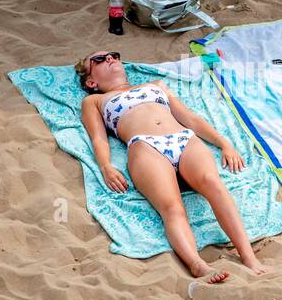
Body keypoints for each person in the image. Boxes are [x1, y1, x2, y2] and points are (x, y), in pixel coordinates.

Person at [76, 50, 268, 282]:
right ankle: (198, 266)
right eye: (99, 59)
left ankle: (248, 257)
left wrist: (224, 143)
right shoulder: (94, 101)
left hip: (183, 138)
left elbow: (190, 119)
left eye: (113, 55)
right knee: (172, 208)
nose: (110, 59)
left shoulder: (156, 85)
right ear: (91, 81)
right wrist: (106, 166)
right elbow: (98, 138)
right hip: (145, 145)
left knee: (213, 184)